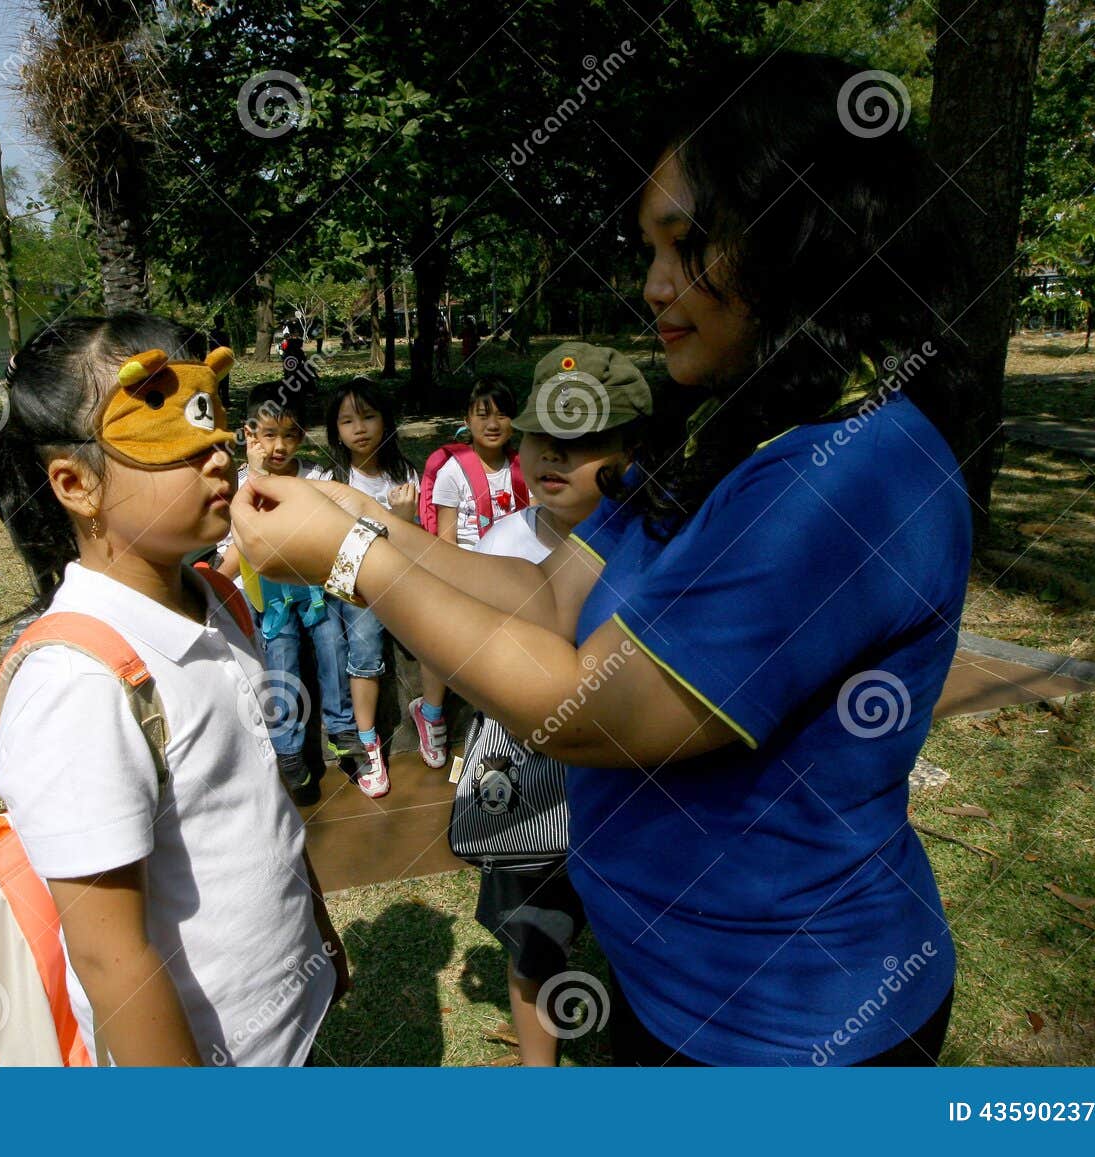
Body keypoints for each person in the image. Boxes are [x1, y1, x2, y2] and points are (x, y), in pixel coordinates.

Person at [228, 51, 970, 1066]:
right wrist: (358, 514)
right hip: (670, 987)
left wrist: (353, 558)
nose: (655, 283)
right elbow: (544, 595)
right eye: (648, 246)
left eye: (690, 242)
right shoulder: (737, 431)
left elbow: (592, 709)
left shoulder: (852, 474)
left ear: (802, 233)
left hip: (793, 1032)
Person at [0, 313, 345, 1065]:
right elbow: (112, 957)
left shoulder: (219, 596)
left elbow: (257, 810)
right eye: (167, 434)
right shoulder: (79, 681)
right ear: (76, 484)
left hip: (287, 1023)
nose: (217, 457)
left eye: (212, 424)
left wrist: (315, 932)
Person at [473, 342, 650, 1066]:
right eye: (541, 437)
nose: (551, 456)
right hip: (531, 787)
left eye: (580, 443)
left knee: (636, 938)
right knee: (535, 938)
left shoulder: (656, 549)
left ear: (634, 449)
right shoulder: (496, 542)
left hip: (628, 784)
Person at [216, 381, 361, 804]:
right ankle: (289, 751)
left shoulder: (315, 478)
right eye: (269, 435)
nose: (280, 445)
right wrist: (257, 472)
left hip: (313, 592)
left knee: (333, 643)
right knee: (281, 661)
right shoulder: (240, 484)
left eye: (291, 434)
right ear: (249, 435)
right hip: (269, 599)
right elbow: (241, 535)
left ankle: (341, 727)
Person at [307, 378, 419, 794]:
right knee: (365, 643)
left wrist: (404, 520)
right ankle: (370, 745)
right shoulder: (329, 478)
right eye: (347, 420)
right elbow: (328, 543)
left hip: (394, 577)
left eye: (369, 416)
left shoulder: (403, 475)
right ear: (335, 429)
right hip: (347, 580)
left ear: (385, 420)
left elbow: (415, 545)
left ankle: (432, 717)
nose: (360, 428)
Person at [412, 376, 529, 770]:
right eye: (483, 415)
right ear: (467, 420)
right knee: (439, 634)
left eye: (502, 414)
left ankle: (514, 717)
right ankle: (430, 713)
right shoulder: (452, 473)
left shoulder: (523, 467)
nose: (492, 423)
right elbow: (445, 538)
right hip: (462, 570)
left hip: (513, 573)